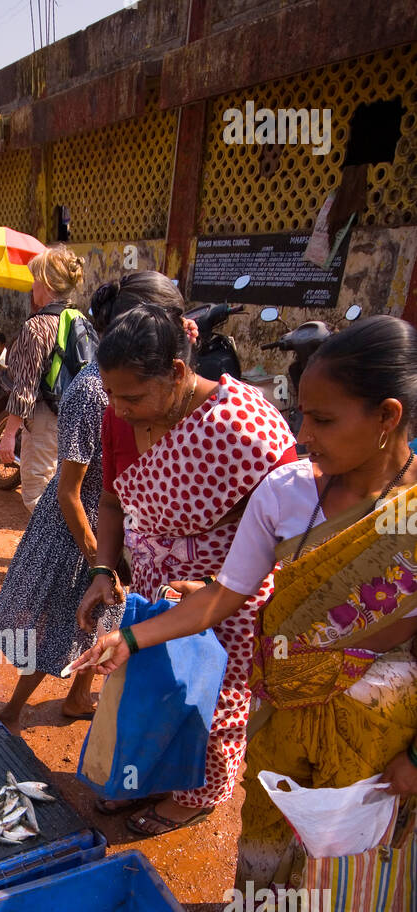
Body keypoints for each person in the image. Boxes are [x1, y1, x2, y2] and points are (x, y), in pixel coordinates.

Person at [75, 315, 417, 912]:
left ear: (387, 417)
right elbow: (222, 599)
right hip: (280, 703)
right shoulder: (288, 492)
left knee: (335, 841)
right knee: (266, 824)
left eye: (321, 419)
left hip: (378, 729)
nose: (303, 435)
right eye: (301, 415)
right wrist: (132, 639)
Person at [76, 303, 297, 835]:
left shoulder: (243, 427)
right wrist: (104, 569)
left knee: (214, 695)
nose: (120, 409)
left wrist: (215, 583)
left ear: (177, 373)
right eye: (113, 396)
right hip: (155, 585)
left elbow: (289, 533)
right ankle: (152, 775)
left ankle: (200, 792)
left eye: (132, 397)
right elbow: (110, 501)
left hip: (227, 591)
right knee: (155, 684)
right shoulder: (118, 416)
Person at [0, 272, 189, 733]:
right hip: (75, 527)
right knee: (54, 622)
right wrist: (98, 559)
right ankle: (12, 709)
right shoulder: (90, 390)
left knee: (100, 623)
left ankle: (78, 697)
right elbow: (69, 490)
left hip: (113, 527)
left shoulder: (158, 386)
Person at [0, 245, 86, 513]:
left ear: (46, 285)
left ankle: (59, 552)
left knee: (37, 494)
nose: (33, 286)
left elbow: (25, 388)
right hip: (75, 419)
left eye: (36, 279)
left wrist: (9, 433)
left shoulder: (36, 327)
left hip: (44, 421)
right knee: (67, 491)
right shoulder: (78, 319)